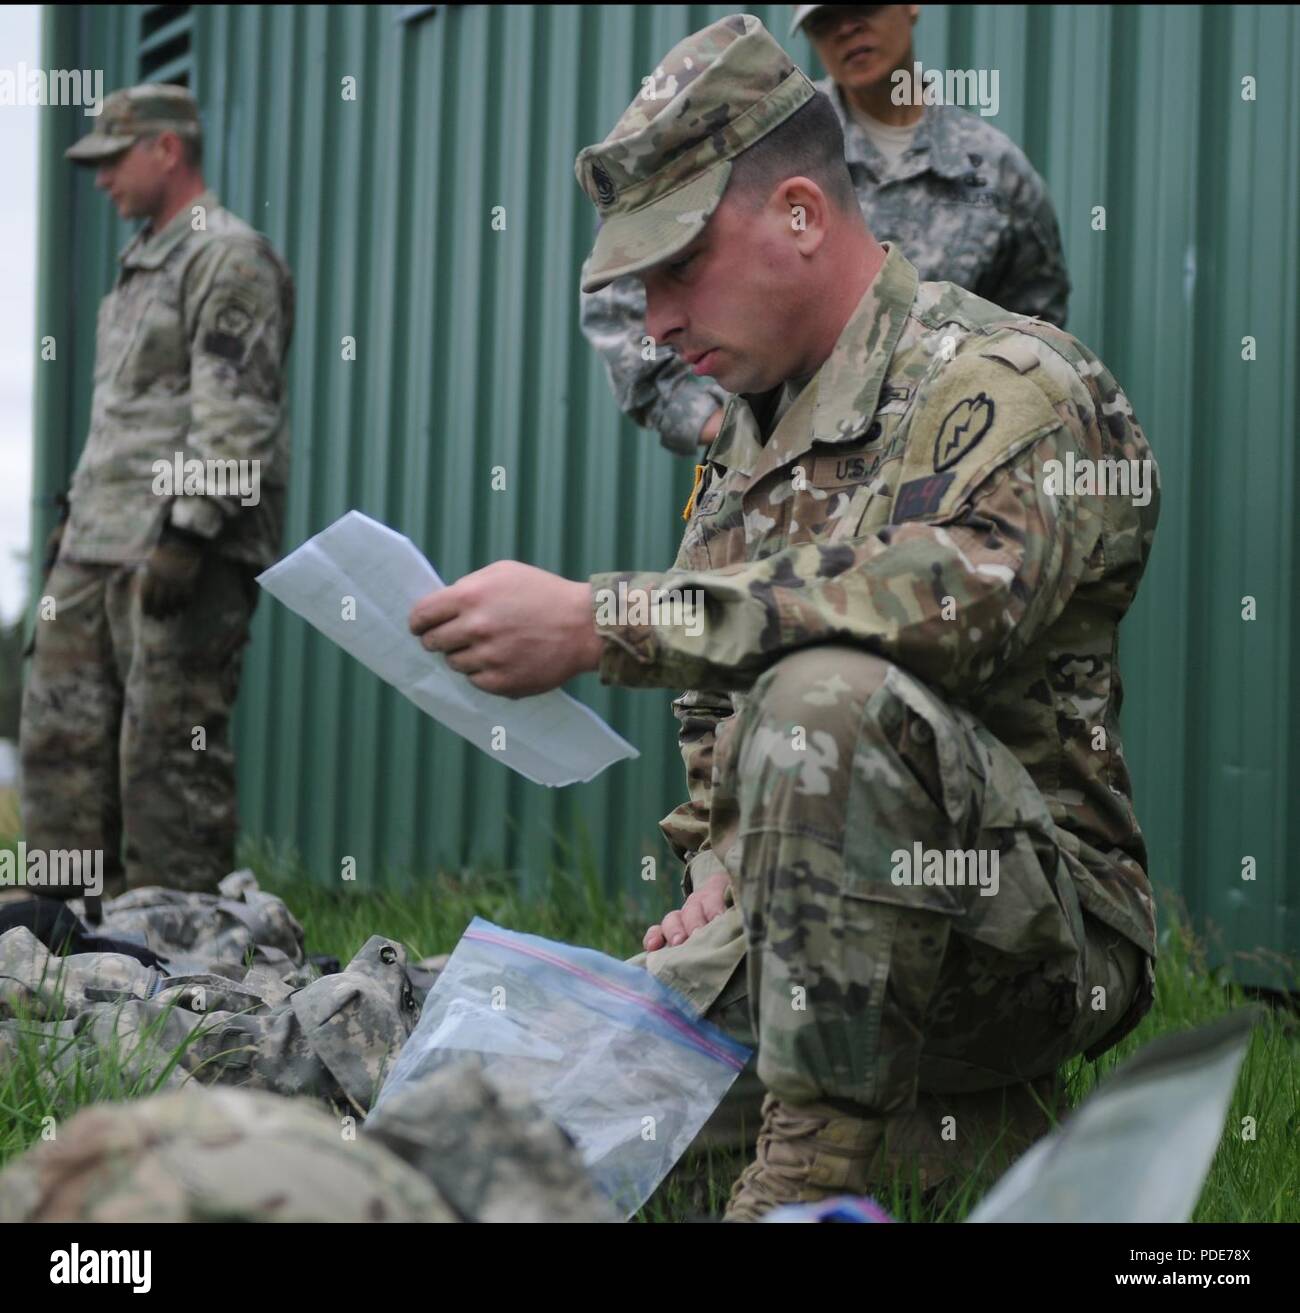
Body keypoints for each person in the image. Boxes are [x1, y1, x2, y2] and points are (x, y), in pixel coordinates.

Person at [409, 14, 1159, 1220]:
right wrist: (715, 859)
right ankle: (948, 1144)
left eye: (675, 268)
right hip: (811, 948)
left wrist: (604, 621)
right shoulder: (749, 445)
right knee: (512, 1132)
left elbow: (949, 609)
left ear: (801, 213)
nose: (652, 321)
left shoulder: (1013, 384)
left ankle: (802, 1185)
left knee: (828, 694)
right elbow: (718, 739)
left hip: (1021, 936)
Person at [20, 85, 294, 907]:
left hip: (176, 553)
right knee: (60, 744)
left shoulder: (227, 255)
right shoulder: (142, 264)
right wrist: (73, 527)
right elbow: (126, 419)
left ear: (166, 150)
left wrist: (187, 533)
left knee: (166, 760)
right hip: (98, 543)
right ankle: (64, 949)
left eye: (111, 159)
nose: (101, 179)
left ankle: (174, 964)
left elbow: (237, 414)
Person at [579, 3, 1070, 459]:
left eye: (863, 7)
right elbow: (624, 297)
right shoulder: (764, 139)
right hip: (789, 488)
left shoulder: (993, 172)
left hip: (935, 462)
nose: (847, 29)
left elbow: (1031, 326)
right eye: (824, 20)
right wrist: (731, 428)